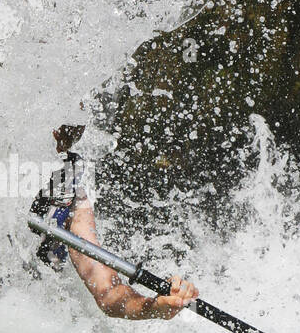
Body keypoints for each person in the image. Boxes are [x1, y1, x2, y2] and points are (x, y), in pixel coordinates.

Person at [31, 125, 199, 321]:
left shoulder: (75, 199)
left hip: (28, 308)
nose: (74, 133)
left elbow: (109, 293)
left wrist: (154, 307)